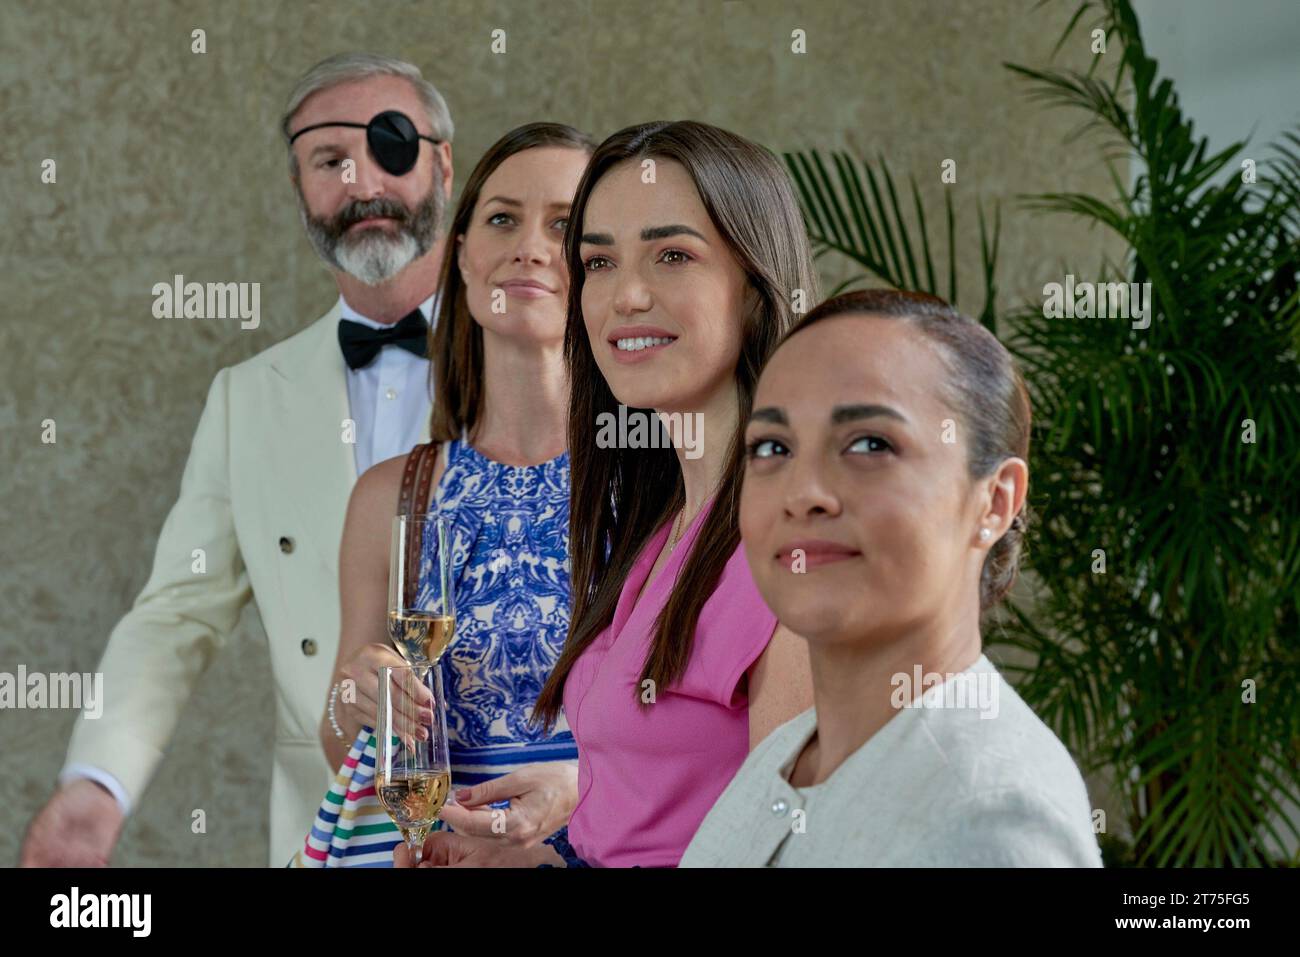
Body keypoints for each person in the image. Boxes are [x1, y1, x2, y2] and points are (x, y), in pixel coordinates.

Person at [20, 52, 455, 868]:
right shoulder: (246, 400)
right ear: (300, 190)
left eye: (390, 145)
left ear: (442, 163)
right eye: (329, 160)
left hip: (523, 821)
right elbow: (174, 612)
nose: (363, 181)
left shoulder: (542, 359)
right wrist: (97, 782)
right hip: (327, 831)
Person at [400, 120, 819, 868]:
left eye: (672, 255)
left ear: (757, 287)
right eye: (598, 262)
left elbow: (789, 857)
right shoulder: (660, 533)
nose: (625, 294)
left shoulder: (794, 549)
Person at [680, 289, 1104, 866]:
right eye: (772, 447)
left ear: (995, 502)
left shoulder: (994, 818)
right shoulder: (780, 757)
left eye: (870, 444)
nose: (804, 494)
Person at [297, 122, 595, 867]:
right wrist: (358, 697)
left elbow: (707, 742)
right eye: (502, 218)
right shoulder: (391, 495)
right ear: (460, 254)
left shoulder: (658, 485)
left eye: (564, 224)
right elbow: (340, 731)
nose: (529, 245)